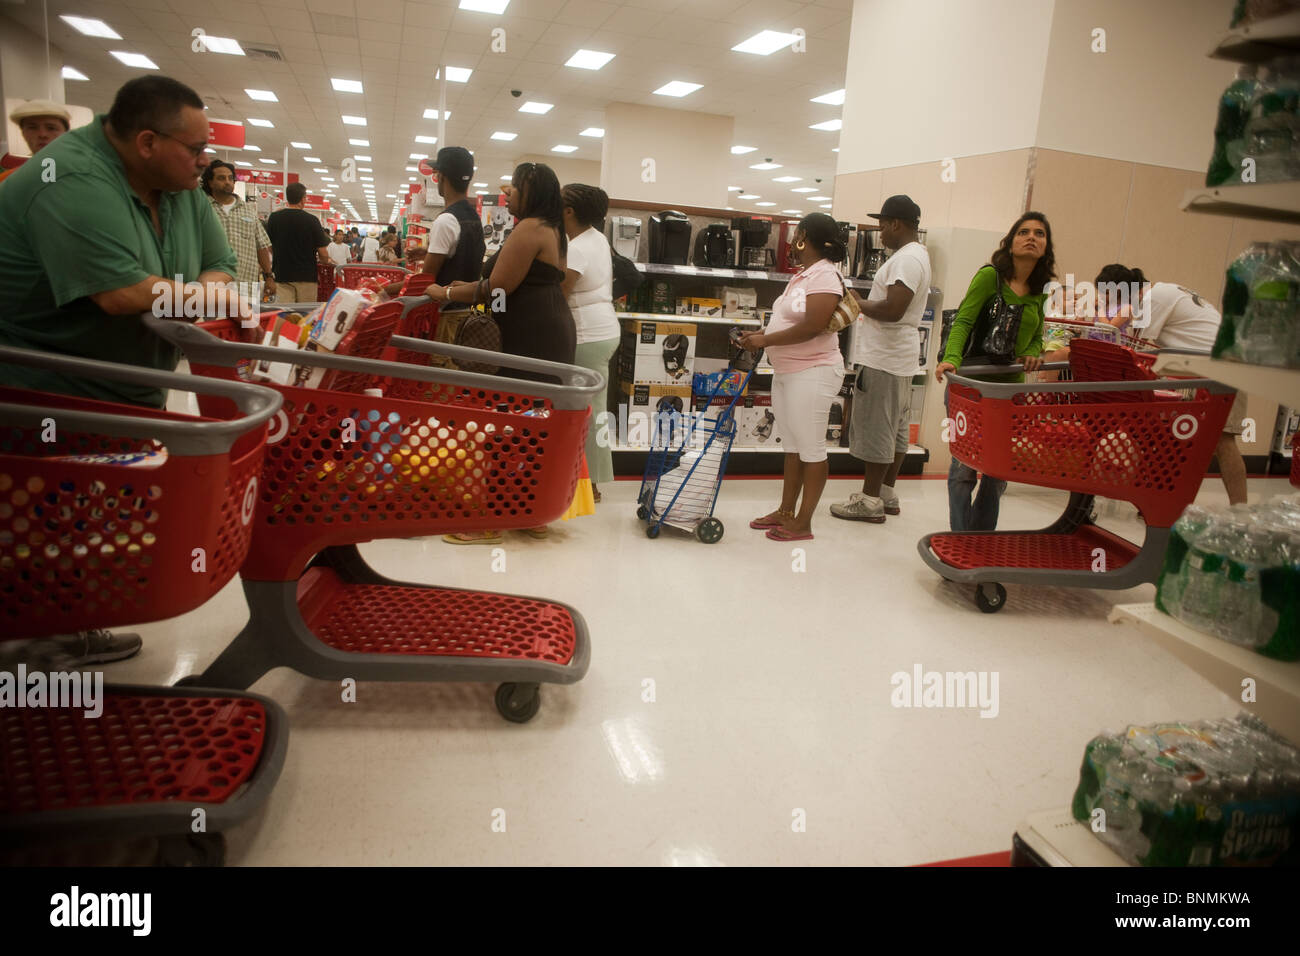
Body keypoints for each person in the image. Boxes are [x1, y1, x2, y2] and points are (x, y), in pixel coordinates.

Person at [0, 75, 253, 669]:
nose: (205, 162)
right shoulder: (69, 178)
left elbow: (220, 265)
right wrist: (200, 298)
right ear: (146, 142)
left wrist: (185, 295)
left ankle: (63, 626)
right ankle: (36, 645)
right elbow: (119, 294)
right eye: (194, 150)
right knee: (42, 515)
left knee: (88, 517)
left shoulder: (180, 185)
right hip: (44, 387)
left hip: (129, 387)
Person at [431, 161, 573, 544]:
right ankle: (529, 513)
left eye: (515, 187)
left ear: (533, 192)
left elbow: (498, 289)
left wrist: (444, 292)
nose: (506, 192)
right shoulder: (554, 230)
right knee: (533, 423)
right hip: (548, 329)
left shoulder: (530, 229)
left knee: (505, 420)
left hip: (529, 334)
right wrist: (470, 285)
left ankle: (490, 519)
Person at [935, 212, 1055, 532]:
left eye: (1039, 234)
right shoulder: (990, 276)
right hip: (971, 385)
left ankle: (981, 540)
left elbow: (1039, 332)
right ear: (1011, 241)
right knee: (964, 467)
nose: (1031, 237)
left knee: (997, 472)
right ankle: (962, 538)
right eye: (1024, 232)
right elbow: (963, 320)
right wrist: (951, 359)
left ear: (1046, 246)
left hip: (1008, 390)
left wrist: (1031, 352)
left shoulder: (1042, 288)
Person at [1094, 264, 1249, 505]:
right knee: (1183, 436)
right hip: (1205, 368)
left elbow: (1138, 352)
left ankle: (1240, 511)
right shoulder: (1165, 291)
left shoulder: (1152, 299)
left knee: (1223, 440)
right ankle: (1164, 497)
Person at [737, 213, 847, 542]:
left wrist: (767, 340)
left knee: (811, 448)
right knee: (793, 446)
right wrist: (761, 334)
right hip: (788, 370)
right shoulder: (803, 275)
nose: (793, 239)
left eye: (798, 233)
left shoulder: (825, 275)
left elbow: (814, 325)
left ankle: (804, 521)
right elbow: (790, 322)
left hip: (814, 370)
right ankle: (786, 511)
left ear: (806, 238)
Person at [831, 195, 932, 523]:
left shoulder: (905, 260)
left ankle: (869, 500)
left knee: (878, 430)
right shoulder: (918, 256)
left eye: (882, 226)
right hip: (900, 359)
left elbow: (893, 309)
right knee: (897, 429)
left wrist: (858, 302)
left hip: (884, 360)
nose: (880, 233)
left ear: (896, 224)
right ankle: (886, 492)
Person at [560, 183, 620, 503]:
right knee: (592, 409)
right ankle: (587, 479)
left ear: (569, 211)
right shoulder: (596, 238)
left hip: (588, 335)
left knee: (587, 410)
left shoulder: (578, 248)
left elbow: (561, 294)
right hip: (603, 330)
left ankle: (590, 484)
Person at [203, 159, 275, 300]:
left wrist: (269, 276)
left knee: (246, 322)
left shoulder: (248, 211)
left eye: (231, 178)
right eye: (221, 178)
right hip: (210, 287)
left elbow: (261, 246)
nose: (228, 182)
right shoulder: (202, 208)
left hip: (245, 286)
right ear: (210, 182)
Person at [265, 180, 330, 302]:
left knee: (283, 314)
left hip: (281, 275)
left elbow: (268, 246)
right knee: (304, 316)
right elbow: (323, 253)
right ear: (303, 199)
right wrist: (325, 262)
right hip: (306, 277)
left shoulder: (274, 218)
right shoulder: (312, 220)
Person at [0, 99, 72, 185]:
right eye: (32, 128)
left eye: (51, 128)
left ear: (66, 133)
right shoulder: (7, 181)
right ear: (23, 133)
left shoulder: (85, 175)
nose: (42, 134)